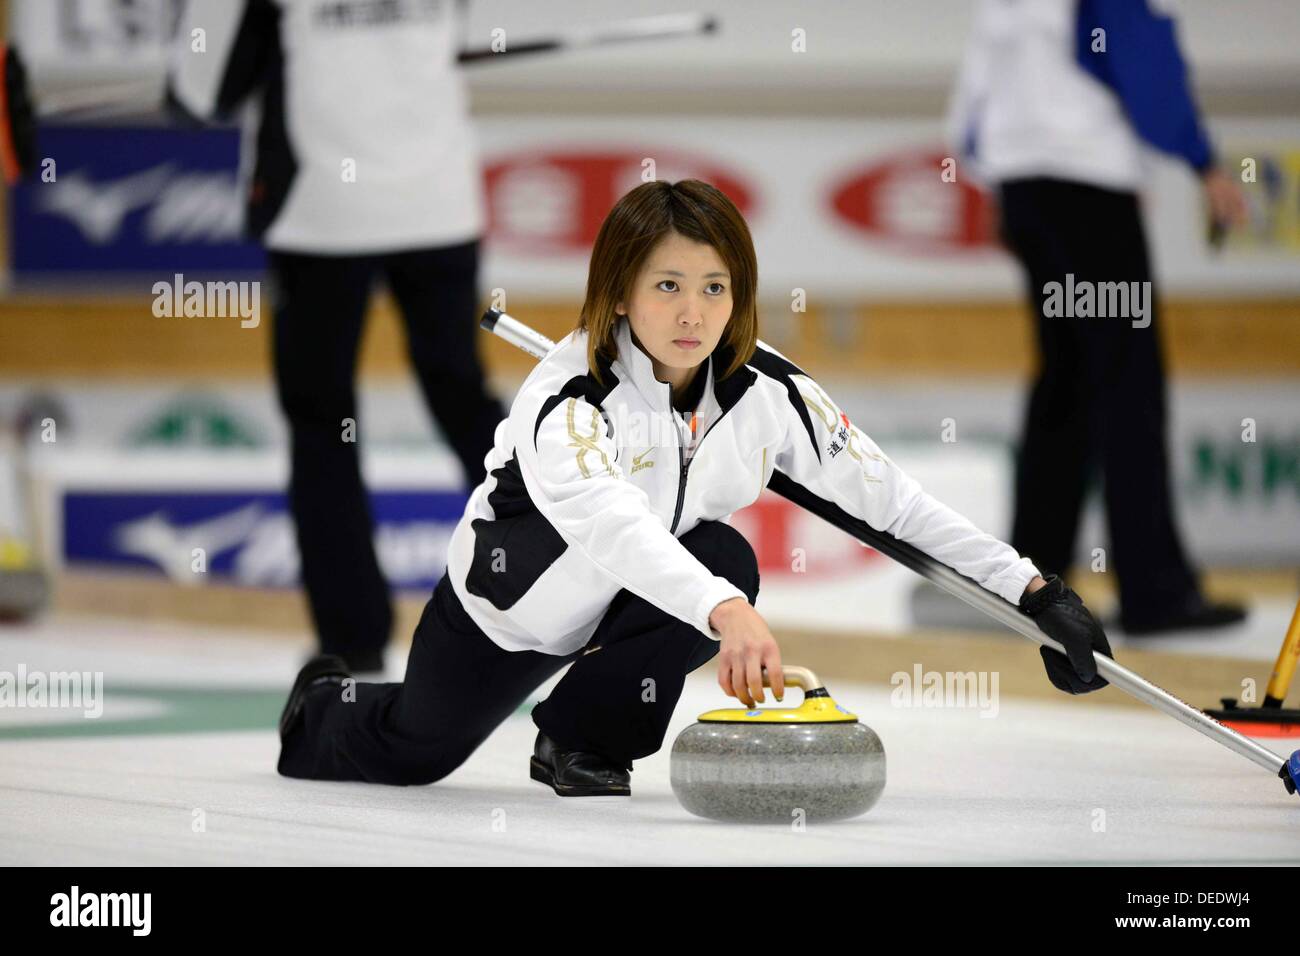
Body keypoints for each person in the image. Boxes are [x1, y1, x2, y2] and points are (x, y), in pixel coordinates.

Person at [277, 179, 1113, 796]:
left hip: (638, 595)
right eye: (667, 286)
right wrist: (724, 612)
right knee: (416, 751)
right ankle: (320, 705)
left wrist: (1033, 591)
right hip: (507, 612)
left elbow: (890, 500)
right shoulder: (565, 401)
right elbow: (614, 529)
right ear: (619, 290)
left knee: (725, 555)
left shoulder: (766, 393)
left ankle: (579, 740)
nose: (693, 313)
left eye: (715, 287)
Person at [167, 0, 504, 673]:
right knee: (462, 396)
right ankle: (558, 589)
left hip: (321, 213)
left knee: (324, 422)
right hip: (435, 201)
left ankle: (352, 640)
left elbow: (202, 89)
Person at [948, 0, 1248, 634]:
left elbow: (973, 96)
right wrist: (1203, 161)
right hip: (1089, 187)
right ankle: (1154, 590)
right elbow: (1134, 54)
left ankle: (1029, 582)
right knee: (1126, 381)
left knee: (1067, 379)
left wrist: (999, 181)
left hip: (1025, 188)